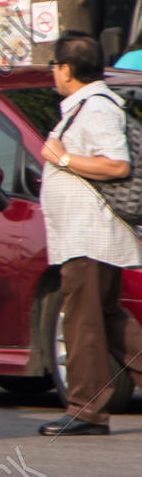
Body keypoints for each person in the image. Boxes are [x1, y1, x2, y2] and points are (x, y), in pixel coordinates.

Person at [37, 30, 142, 435]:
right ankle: (88, 409)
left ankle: (86, 410)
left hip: (90, 237)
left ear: (65, 69)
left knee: (82, 323)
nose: (54, 73)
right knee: (109, 320)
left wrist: (62, 157)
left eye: (54, 65)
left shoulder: (95, 108)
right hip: (88, 236)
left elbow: (116, 165)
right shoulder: (88, 105)